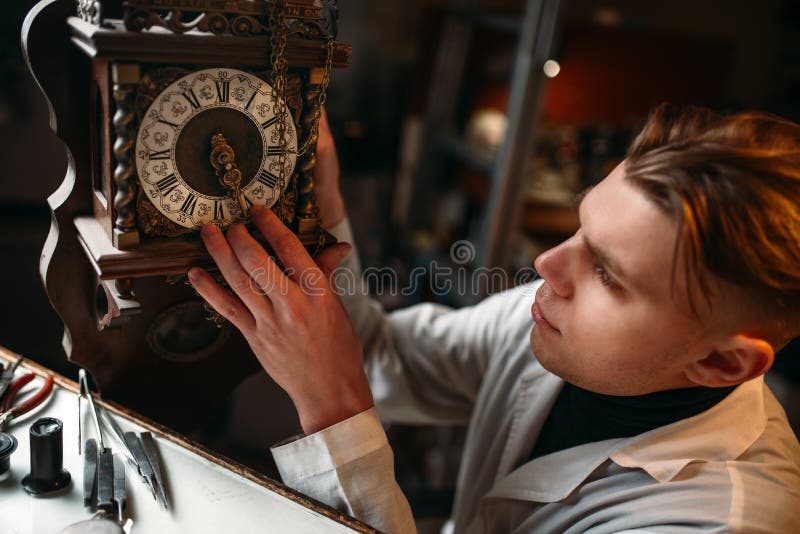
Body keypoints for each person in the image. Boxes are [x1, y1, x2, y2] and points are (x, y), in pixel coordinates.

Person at [187, 103, 800, 533]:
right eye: (580, 228)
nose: (548, 265)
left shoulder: (716, 523)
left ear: (722, 362)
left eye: (609, 275)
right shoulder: (554, 319)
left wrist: (332, 414)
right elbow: (386, 360)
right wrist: (320, 205)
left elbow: (353, 378)